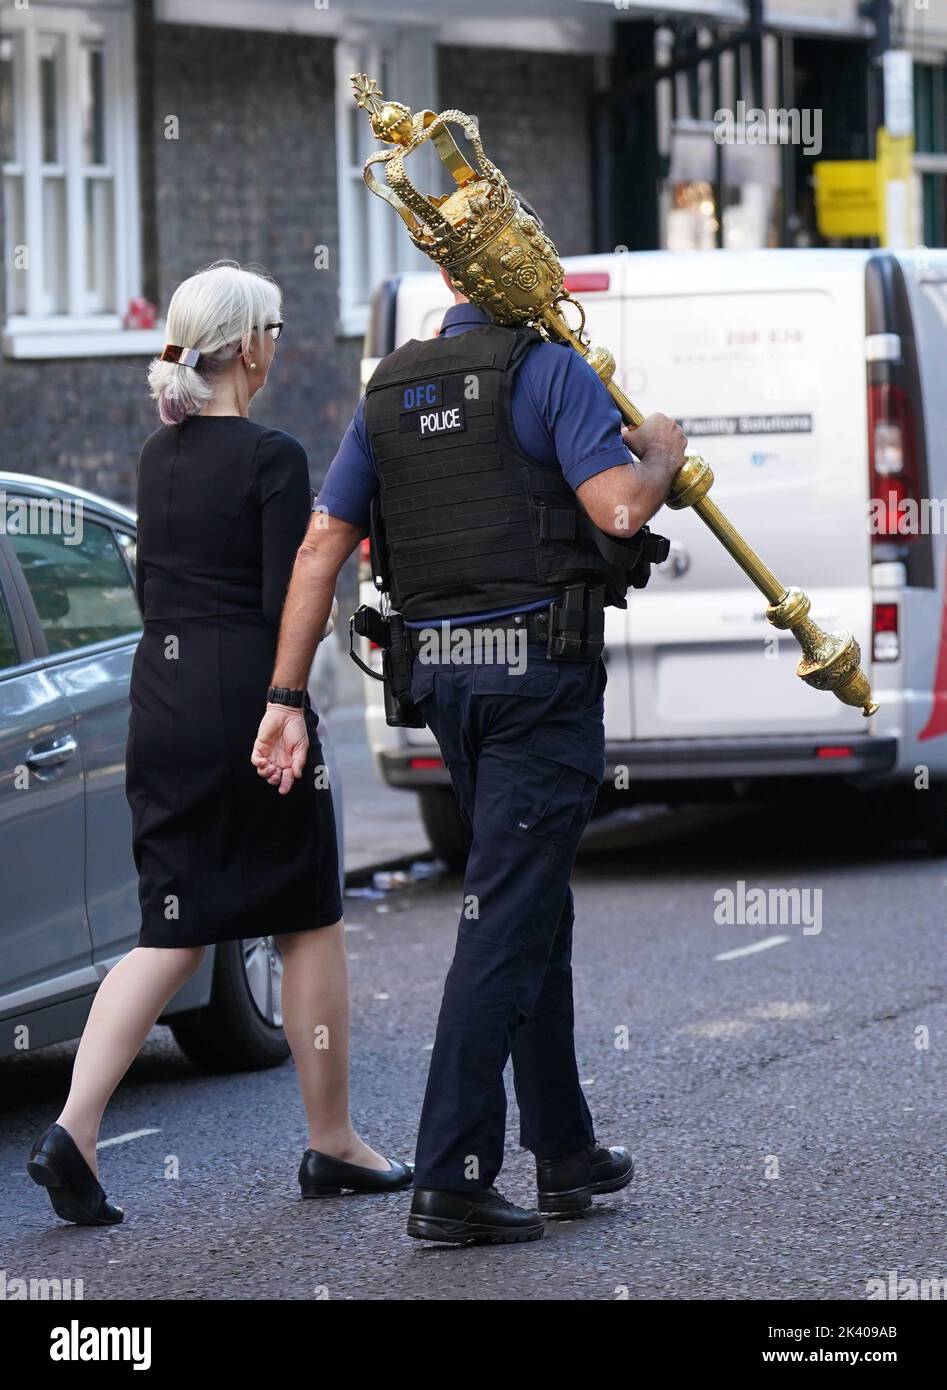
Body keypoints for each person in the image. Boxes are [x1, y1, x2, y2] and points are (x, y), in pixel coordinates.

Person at [252, 240, 687, 1246]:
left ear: (450, 283)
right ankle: (450, 1173)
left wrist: (284, 691)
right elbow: (617, 507)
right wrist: (658, 452)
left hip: (443, 679)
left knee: (530, 897)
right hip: (537, 681)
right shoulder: (546, 369)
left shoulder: (388, 389)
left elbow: (323, 542)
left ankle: (563, 1148)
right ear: (521, 277)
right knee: (503, 912)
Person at [27, 262, 411, 1227]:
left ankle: (71, 1131)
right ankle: (333, 1145)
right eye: (275, 330)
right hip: (250, 703)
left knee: (170, 928)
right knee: (308, 914)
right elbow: (299, 588)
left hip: (159, 705)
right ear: (247, 346)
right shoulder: (271, 456)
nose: (279, 346)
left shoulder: (158, 458)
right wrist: (290, 697)